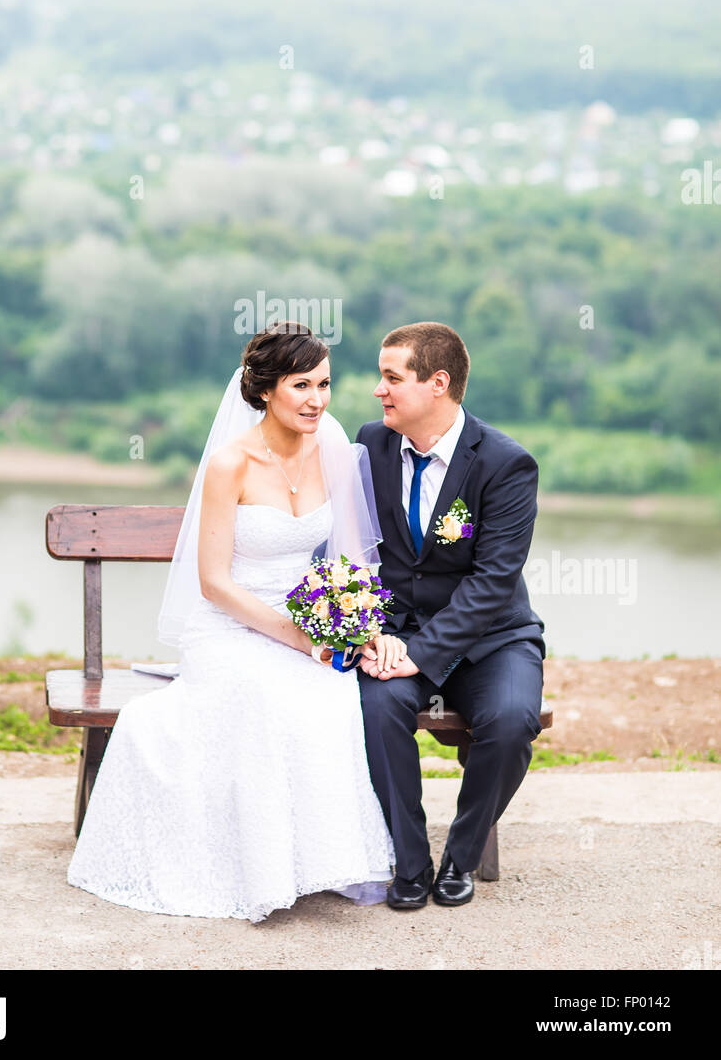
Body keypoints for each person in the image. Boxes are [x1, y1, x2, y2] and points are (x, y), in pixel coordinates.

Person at [67, 323, 397, 922]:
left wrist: (355, 625)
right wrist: (300, 639)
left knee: (333, 694)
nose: (316, 399)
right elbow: (214, 584)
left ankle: (314, 861)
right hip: (229, 626)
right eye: (301, 385)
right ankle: (259, 871)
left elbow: (350, 562)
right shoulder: (230, 464)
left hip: (308, 628)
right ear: (266, 389)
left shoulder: (334, 448)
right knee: (264, 696)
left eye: (325, 384)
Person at [356, 321, 546, 910]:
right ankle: (408, 863)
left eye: (392, 378)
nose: (378, 390)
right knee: (379, 705)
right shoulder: (371, 444)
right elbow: (355, 551)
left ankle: (460, 857)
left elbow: (492, 585)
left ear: (437, 383)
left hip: (493, 640)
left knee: (514, 721)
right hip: (400, 636)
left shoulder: (506, 464)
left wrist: (419, 653)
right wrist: (378, 636)